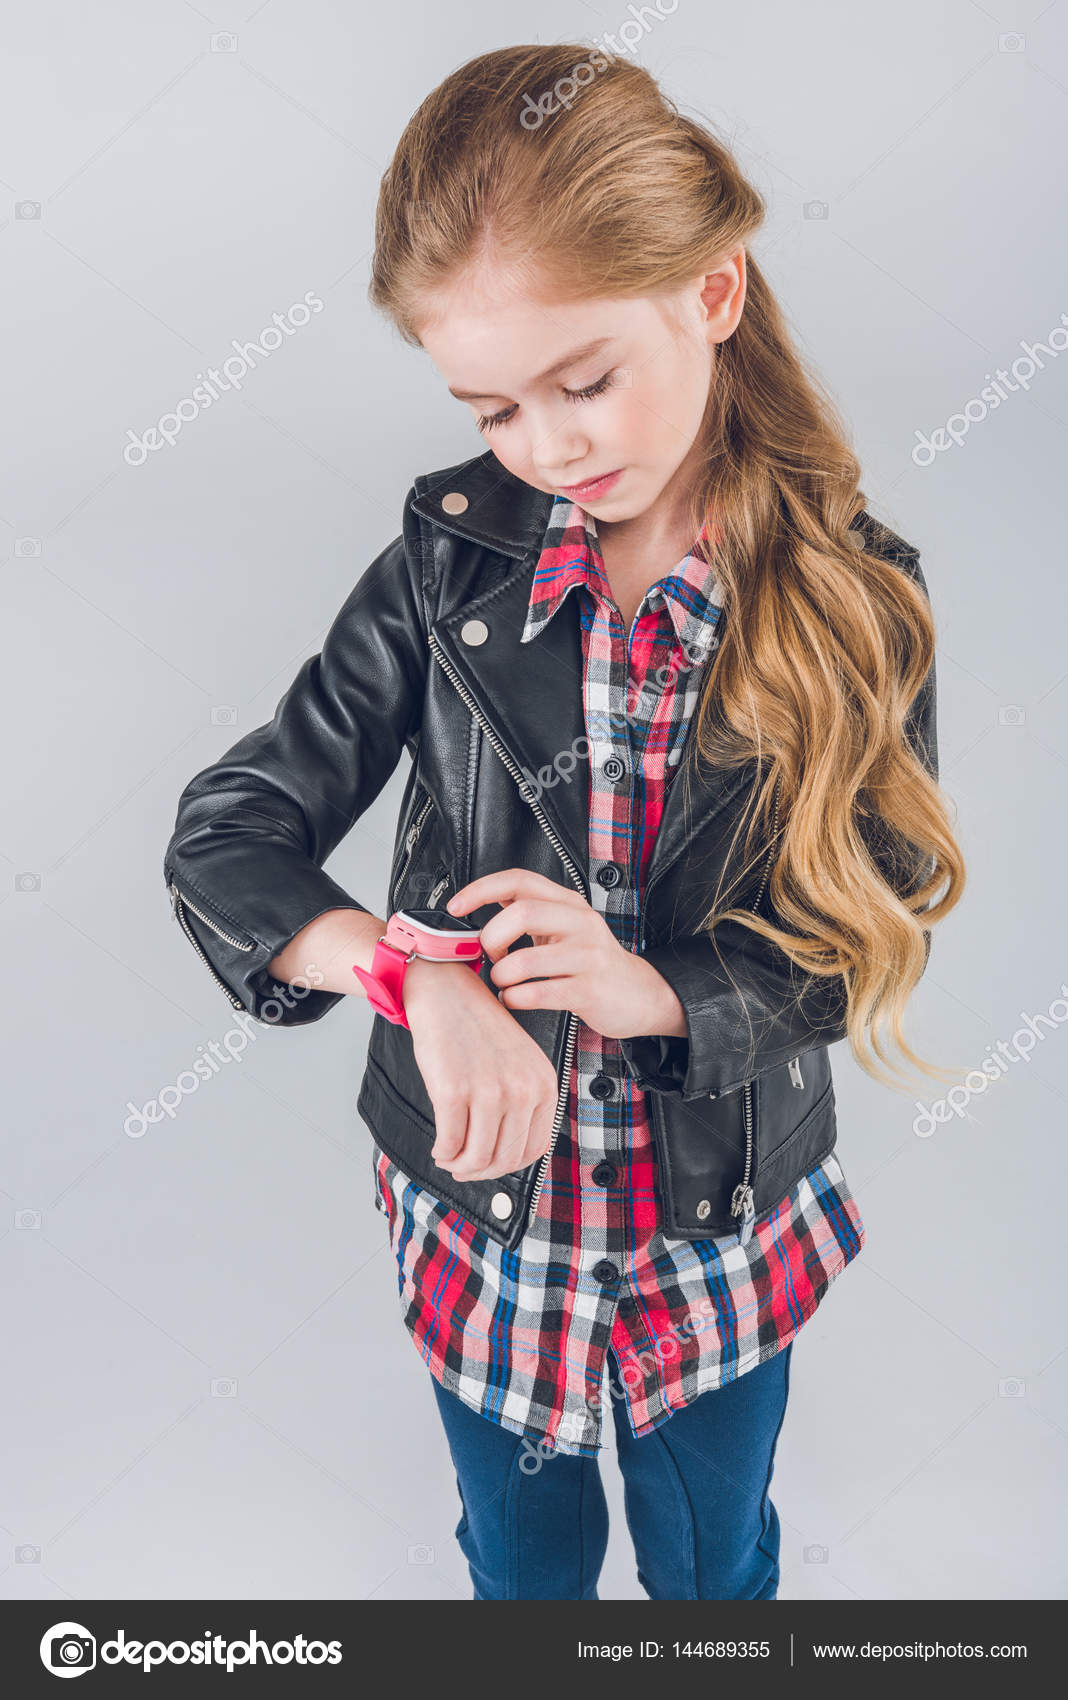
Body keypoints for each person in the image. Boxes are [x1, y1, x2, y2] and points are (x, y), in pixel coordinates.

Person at [164, 43, 965, 1601]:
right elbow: (229, 834)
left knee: (715, 1572)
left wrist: (659, 993)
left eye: (583, 381)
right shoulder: (442, 569)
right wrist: (419, 978)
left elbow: (876, 914)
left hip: (719, 1232)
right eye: (492, 404)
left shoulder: (860, 599)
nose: (546, 447)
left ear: (712, 295)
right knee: (520, 1578)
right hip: (487, 1237)